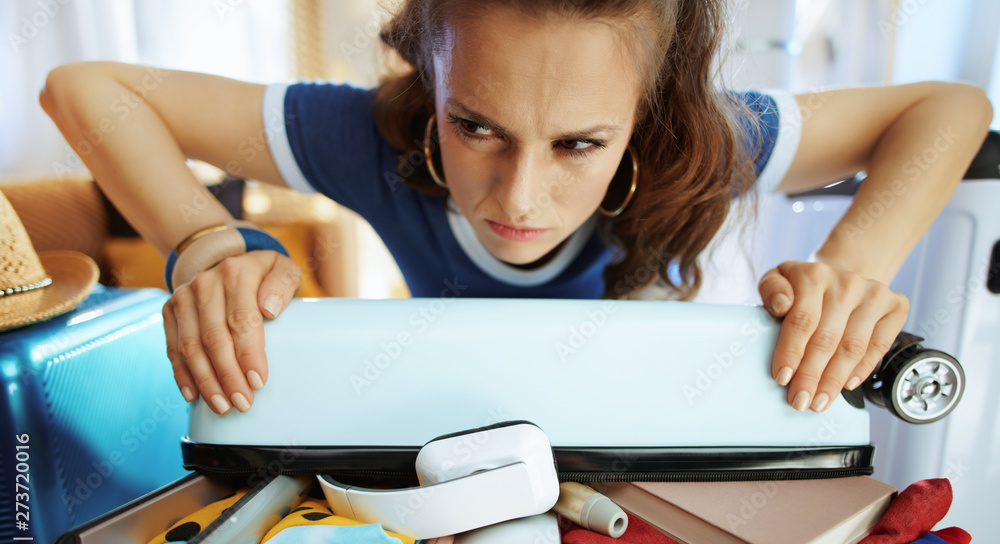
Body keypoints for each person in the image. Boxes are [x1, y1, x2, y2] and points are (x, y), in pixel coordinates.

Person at [39, 0, 992, 417]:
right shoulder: (375, 137)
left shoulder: (700, 138)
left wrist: (855, 266)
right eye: (477, 126)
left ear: (646, 117)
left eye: (579, 143)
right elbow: (85, 87)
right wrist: (206, 243)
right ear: (430, 74)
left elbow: (950, 108)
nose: (519, 200)